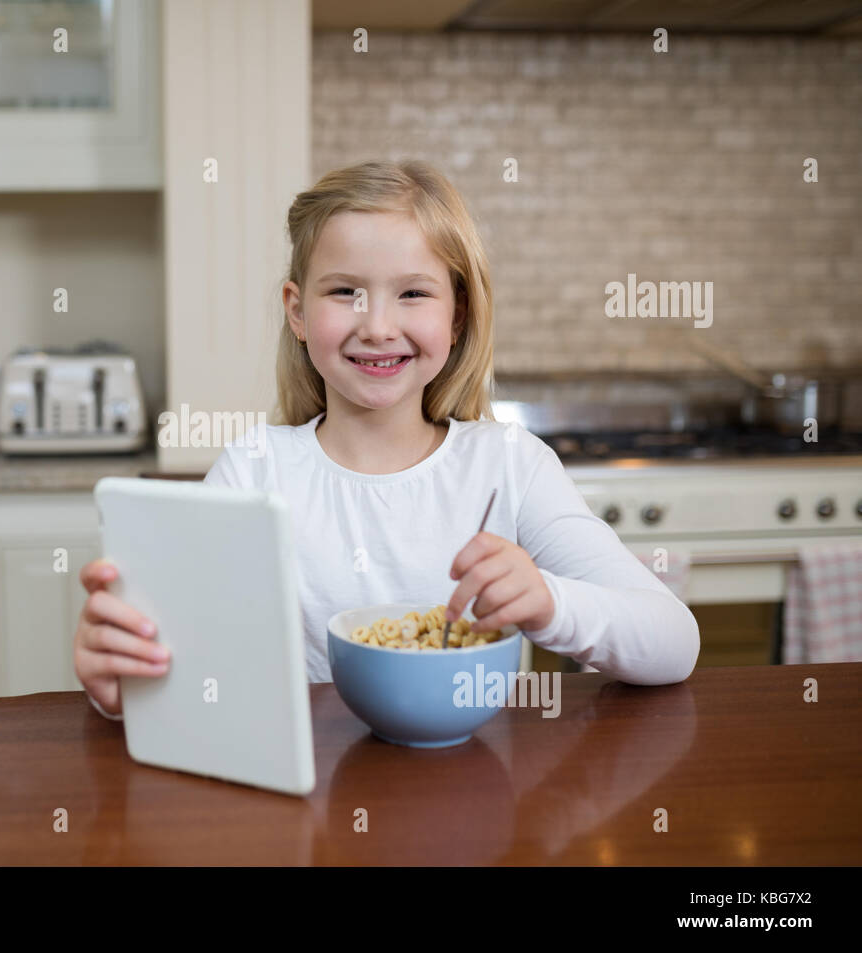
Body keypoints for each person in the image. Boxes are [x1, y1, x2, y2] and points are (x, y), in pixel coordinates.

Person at [74, 158, 700, 720]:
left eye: (413, 293)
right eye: (345, 291)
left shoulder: (509, 465)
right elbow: (181, 662)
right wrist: (123, 681)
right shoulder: (253, 471)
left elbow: (673, 642)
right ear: (297, 311)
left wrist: (551, 604)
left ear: (456, 315)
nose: (377, 327)